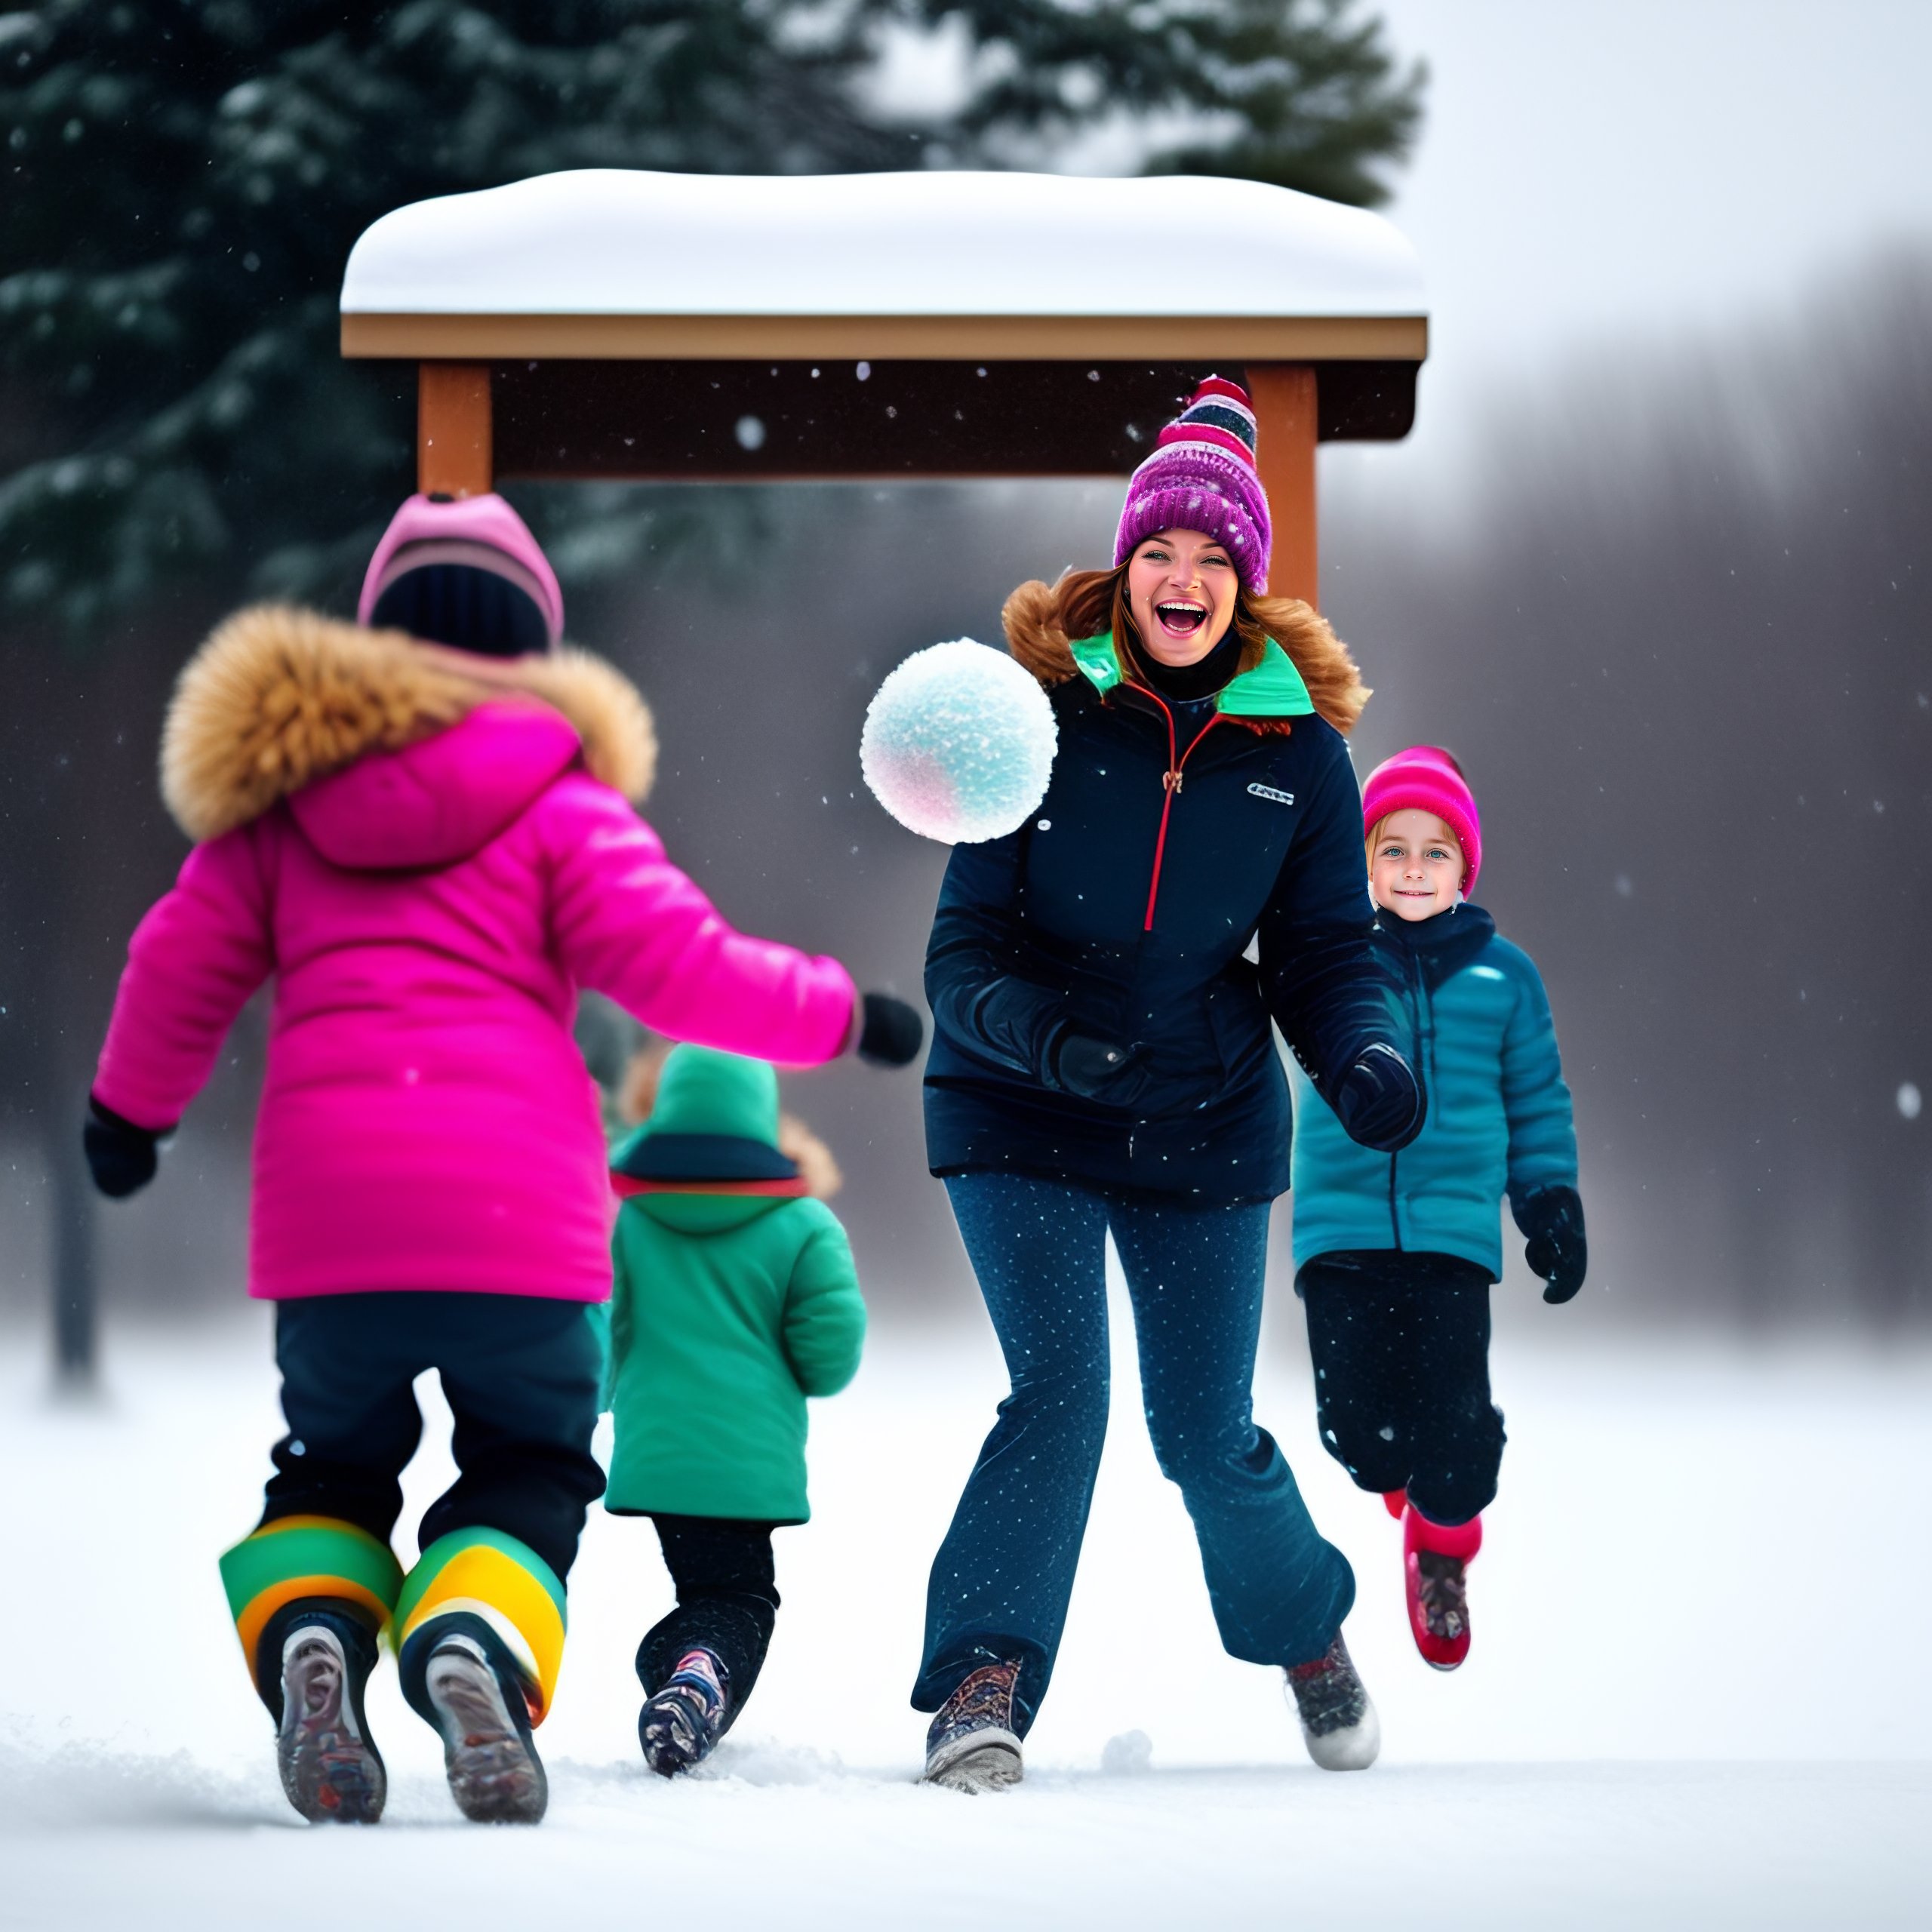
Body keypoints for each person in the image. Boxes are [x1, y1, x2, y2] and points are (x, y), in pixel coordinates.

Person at [82, 492, 921, 1826]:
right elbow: (687, 970)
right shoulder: (559, 805)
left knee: (333, 1463)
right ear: (532, 648)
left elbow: (174, 962)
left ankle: (315, 1627)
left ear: (376, 639)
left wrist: (129, 1117)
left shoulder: (286, 812)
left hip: (336, 1226)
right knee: (530, 1462)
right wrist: (843, 1013)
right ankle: (473, 1633)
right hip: (519, 1225)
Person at [912, 377, 1423, 1792]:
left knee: (1203, 1433)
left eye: (1211, 558)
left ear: (1245, 584)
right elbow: (962, 950)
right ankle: (981, 1685)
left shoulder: (1302, 758)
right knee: (1060, 1391)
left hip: (1200, 1119)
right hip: (1019, 1107)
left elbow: (1326, 952)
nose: (1182, 578)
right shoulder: (1035, 715)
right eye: (1159, 553)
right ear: (1123, 567)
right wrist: (1046, 1041)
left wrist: (1364, 1054)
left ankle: (1305, 1630)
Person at [1289, 746, 1583, 1669]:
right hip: (1339, 1231)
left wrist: (1548, 1203)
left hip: (1454, 1236)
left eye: (1435, 851)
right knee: (1358, 1436)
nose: (1412, 868)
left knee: (1457, 1436)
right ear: (1361, 860)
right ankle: (1399, 1477)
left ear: (1465, 866)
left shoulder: (1506, 979)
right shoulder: (1327, 963)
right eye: (1392, 848)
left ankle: (1443, 1545)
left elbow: (1536, 1100)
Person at [601, 1043, 864, 1777]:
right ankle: (695, 1673)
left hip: (655, 1452)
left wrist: (596, 1397)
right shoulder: (804, 1224)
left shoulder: (630, 1219)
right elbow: (830, 1353)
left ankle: (679, 1662)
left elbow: (603, 1325)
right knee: (738, 1598)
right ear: (761, 1115)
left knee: (706, 1588)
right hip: (750, 1460)